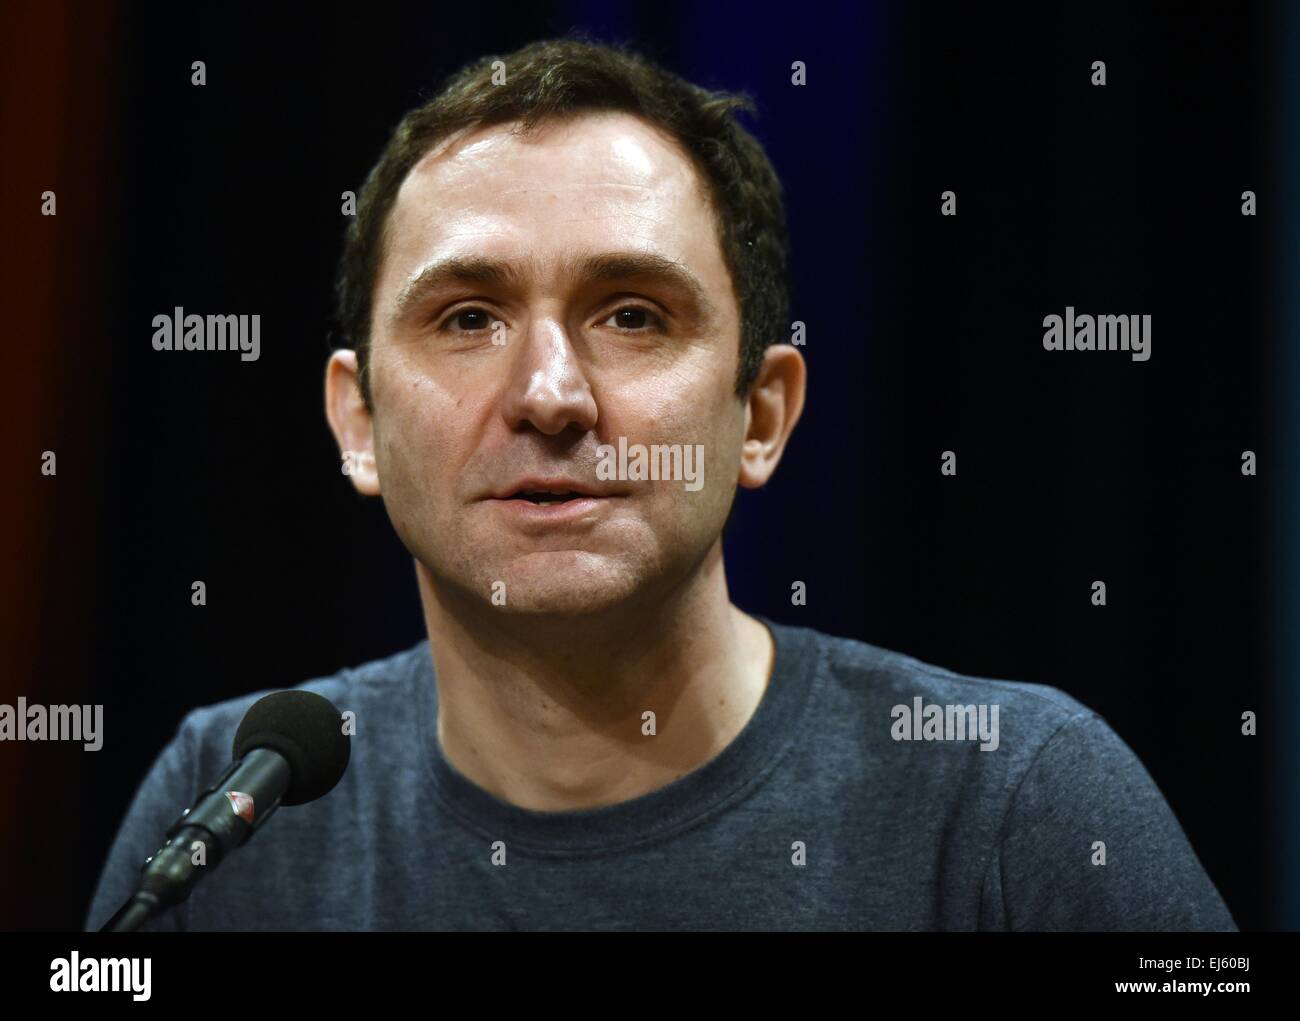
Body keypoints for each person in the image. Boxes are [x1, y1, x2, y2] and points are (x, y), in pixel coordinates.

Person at [86, 36, 1235, 932]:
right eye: (468, 316)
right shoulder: (234, 794)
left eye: (633, 315)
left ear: (763, 413)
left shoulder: (1014, 798)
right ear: (359, 422)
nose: (550, 393)